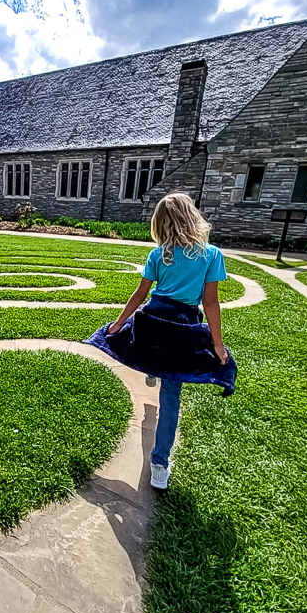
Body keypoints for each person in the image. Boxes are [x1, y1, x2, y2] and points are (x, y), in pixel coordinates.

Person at [83, 191, 235, 491]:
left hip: (152, 323)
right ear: (192, 217)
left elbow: (140, 295)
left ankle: (153, 368)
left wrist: (118, 323)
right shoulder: (211, 254)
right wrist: (217, 345)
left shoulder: (158, 254)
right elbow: (211, 304)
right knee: (171, 395)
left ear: (161, 222)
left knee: (142, 344)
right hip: (181, 328)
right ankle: (160, 464)